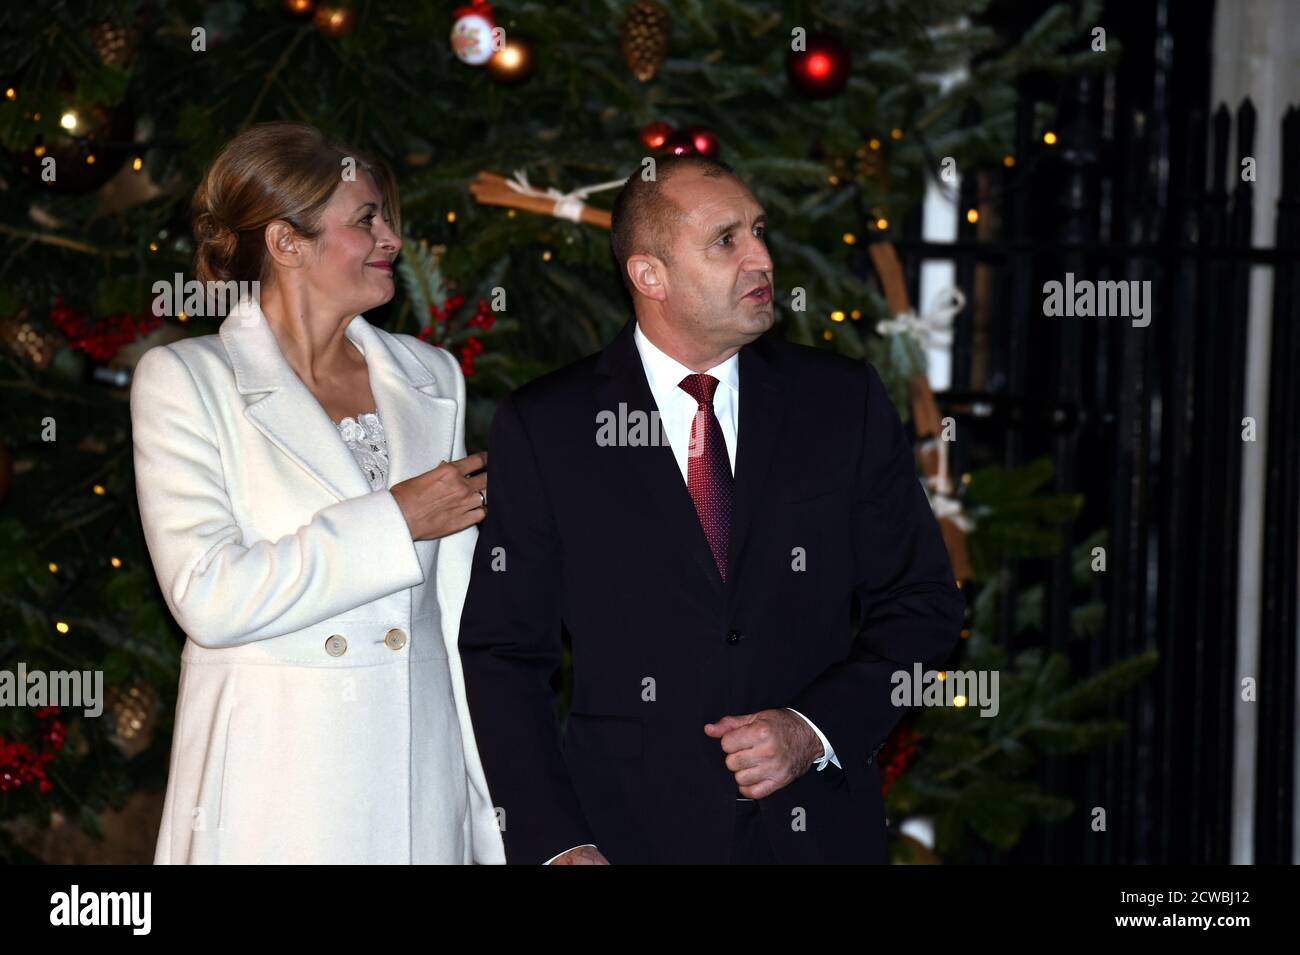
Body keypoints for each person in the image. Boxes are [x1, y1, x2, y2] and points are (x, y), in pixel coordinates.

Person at [458, 154, 964, 864]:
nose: (761, 256)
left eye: (759, 230)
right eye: (727, 239)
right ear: (649, 275)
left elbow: (924, 604)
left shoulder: (838, 401)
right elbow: (505, 653)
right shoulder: (550, 425)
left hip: (813, 836)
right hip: (623, 839)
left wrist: (812, 727)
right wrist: (555, 840)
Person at [132, 121, 503, 864]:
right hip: (276, 795)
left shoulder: (431, 376)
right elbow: (208, 595)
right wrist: (394, 521)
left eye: (386, 217)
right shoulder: (188, 382)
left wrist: (479, 798)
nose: (392, 238)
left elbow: (459, 612)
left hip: (419, 790)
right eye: (366, 218)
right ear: (285, 242)